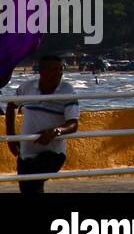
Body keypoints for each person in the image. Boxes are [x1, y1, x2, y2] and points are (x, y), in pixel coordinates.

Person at [4, 53, 80, 194]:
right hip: (26, 153)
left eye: (60, 70)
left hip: (53, 153)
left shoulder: (67, 90)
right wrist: (11, 137)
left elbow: (73, 124)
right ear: (42, 72)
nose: (58, 73)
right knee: (30, 190)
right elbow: (11, 105)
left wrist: (55, 131)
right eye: (54, 70)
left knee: (31, 184)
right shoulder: (27, 88)